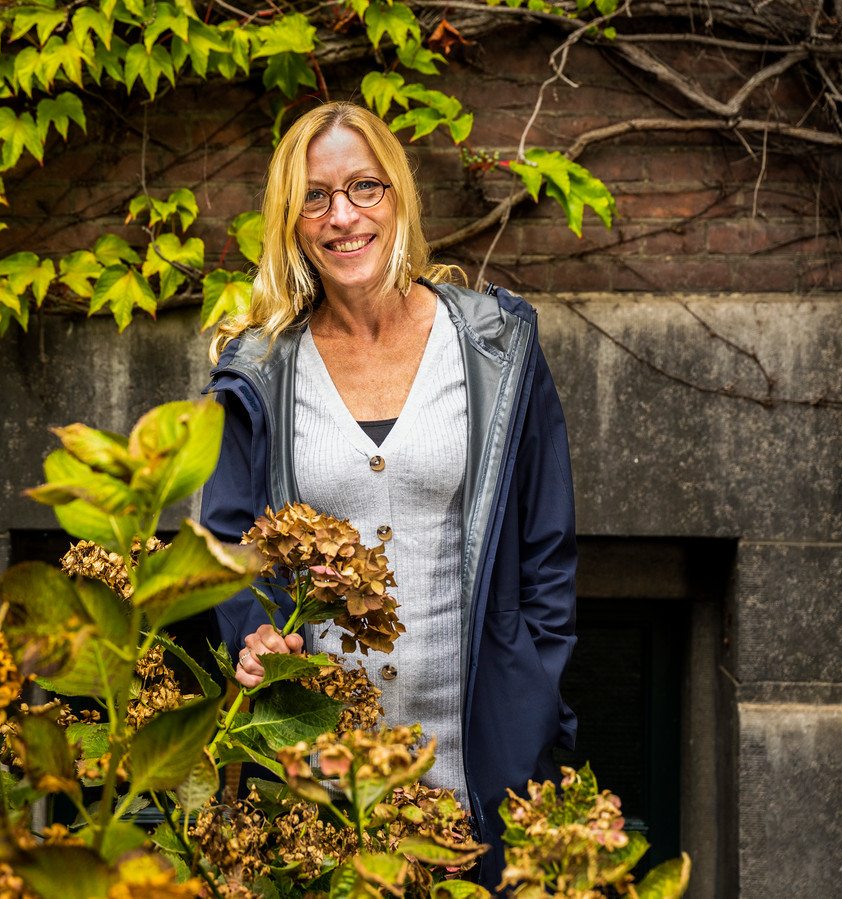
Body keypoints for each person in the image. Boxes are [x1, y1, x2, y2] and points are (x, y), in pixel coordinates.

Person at [199, 101, 577, 889]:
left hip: (476, 761)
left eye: (362, 187)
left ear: (397, 196)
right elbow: (223, 542)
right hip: (323, 781)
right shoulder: (263, 369)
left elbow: (546, 550)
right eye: (315, 196)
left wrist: (531, 696)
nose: (342, 215)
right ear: (290, 219)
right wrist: (254, 636)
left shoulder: (494, 348)